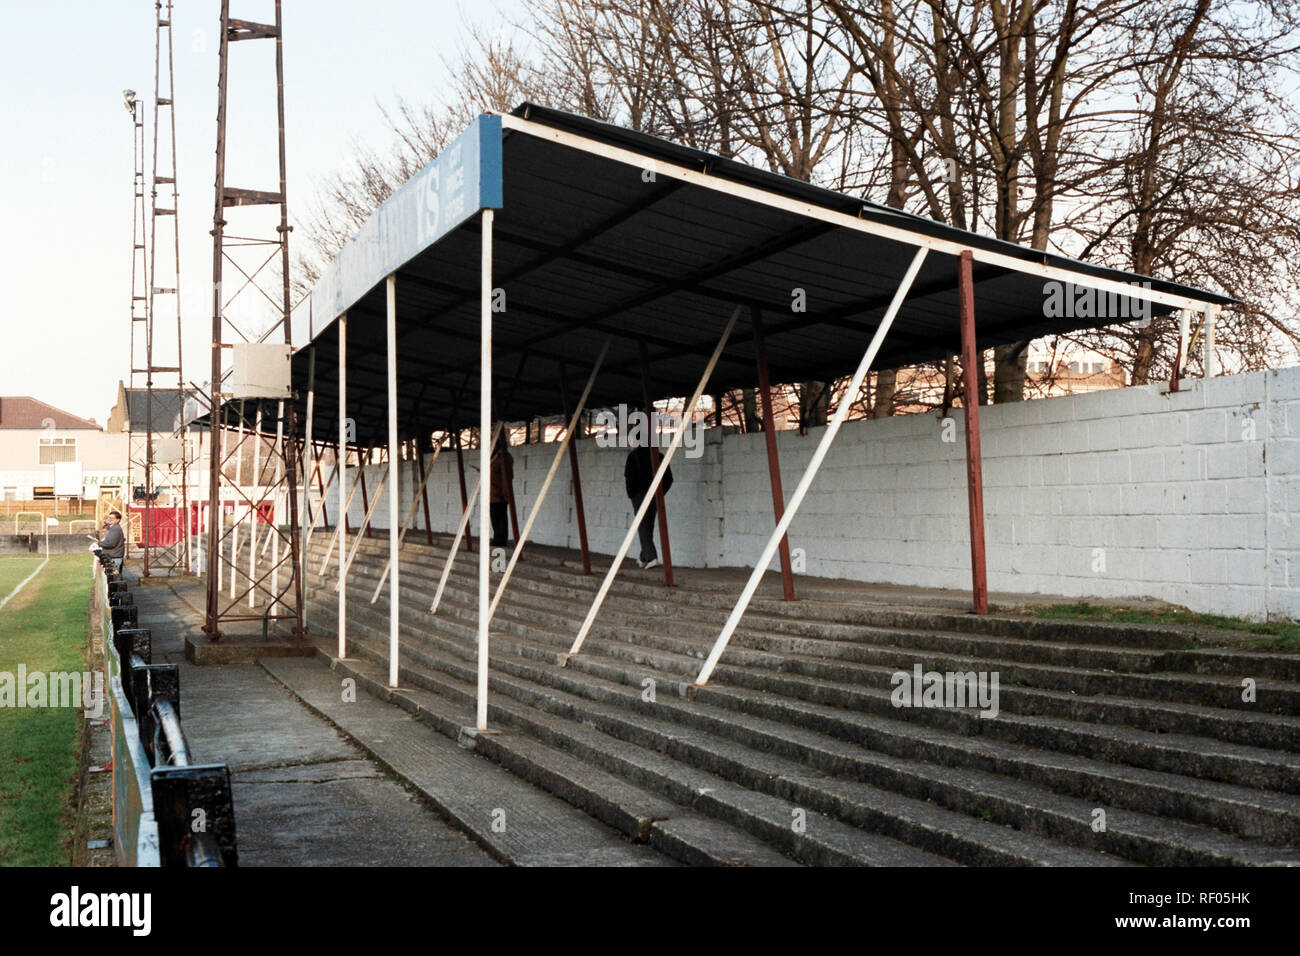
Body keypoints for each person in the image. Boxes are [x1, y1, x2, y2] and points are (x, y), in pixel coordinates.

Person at [624, 439, 672, 569]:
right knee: (648, 525)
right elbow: (669, 479)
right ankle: (644, 556)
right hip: (655, 495)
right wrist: (660, 493)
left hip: (639, 495)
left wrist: (631, 494)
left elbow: (629, 477)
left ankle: (651, 557)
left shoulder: (633, 456)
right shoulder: (659, 456)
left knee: (642, 525)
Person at [489, 441, 514, 548]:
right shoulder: (494, 457)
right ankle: (497, 538)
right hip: (493, 493)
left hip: (499, 493)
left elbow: (506, 477)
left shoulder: (503, 457)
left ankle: (501, 540)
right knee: (495, 518)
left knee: (500, 518)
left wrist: (504, 493)